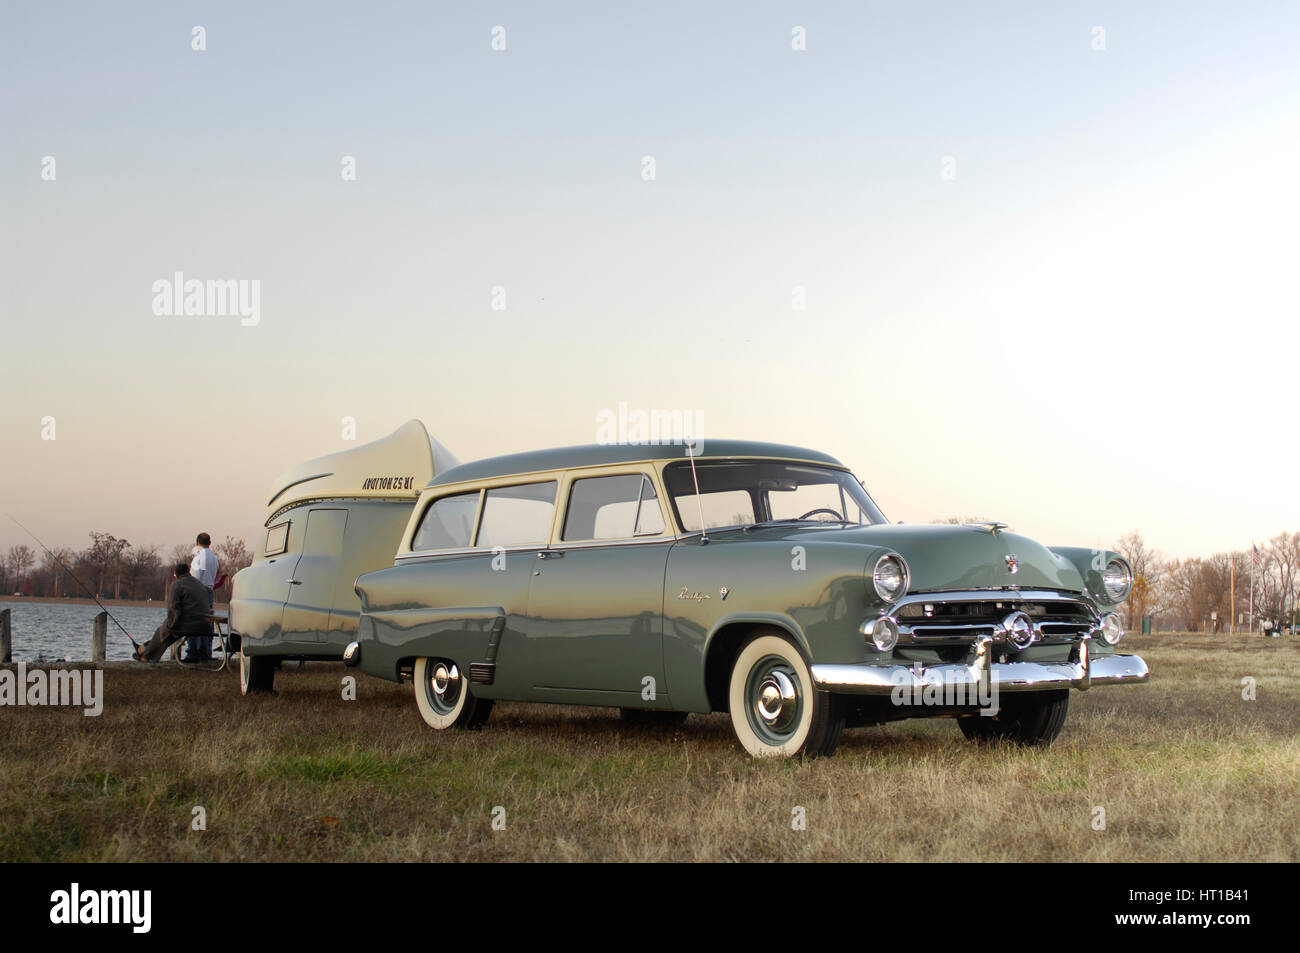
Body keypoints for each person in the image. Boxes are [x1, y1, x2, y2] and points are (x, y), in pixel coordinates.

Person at [134, 563, 212, 662]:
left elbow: (173, 609)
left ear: (177, 574)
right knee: (164, 632)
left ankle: (145, 655)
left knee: (163, 632)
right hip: (205, 625)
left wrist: (172, 628)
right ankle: (144, 649)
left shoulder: (177, 584)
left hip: (190, 625)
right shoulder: (199, 584)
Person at [190, 532, 220, 661]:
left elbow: (196, 576)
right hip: (210, 590)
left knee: (195, 621)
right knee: (207, 622)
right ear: (210, 542)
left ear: (197, 542)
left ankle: (194, 652)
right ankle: (206, 651)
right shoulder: (214, 557)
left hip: (199, 590)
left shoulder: (199, 557)